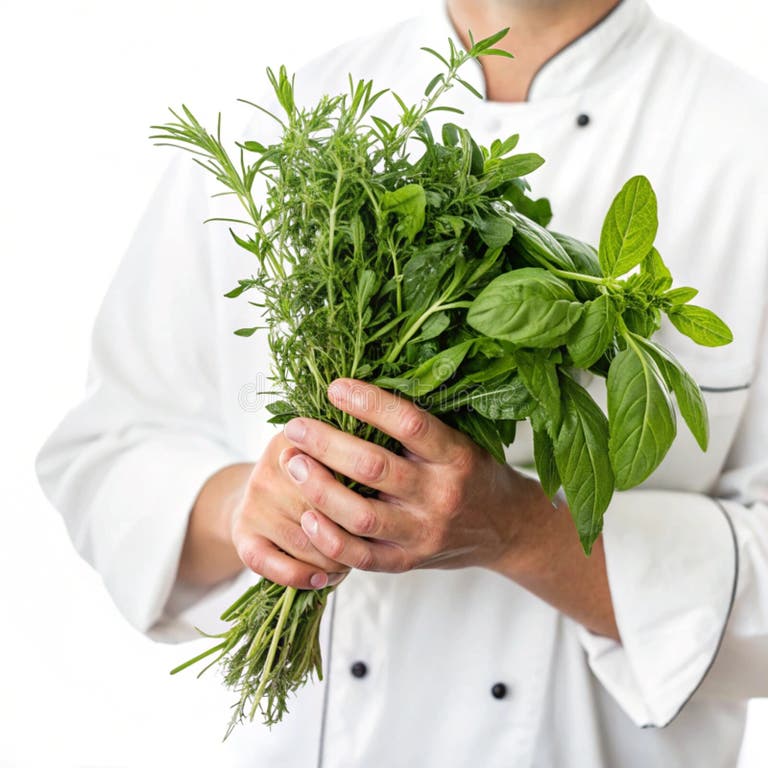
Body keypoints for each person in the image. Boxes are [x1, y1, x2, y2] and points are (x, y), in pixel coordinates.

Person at [36, 0, 768, 765]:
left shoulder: (748, 147)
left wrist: (524, 533)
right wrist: (248, 509)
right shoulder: (289, 123)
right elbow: (106, 454)